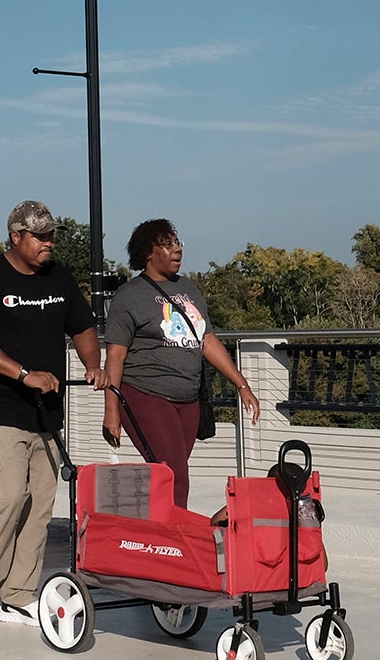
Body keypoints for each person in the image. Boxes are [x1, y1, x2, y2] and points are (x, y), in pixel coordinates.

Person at [0, 199, 105, 629]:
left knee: (40, 503)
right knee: (6, 498)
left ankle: (18, 593)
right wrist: (23, 375)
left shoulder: (59, 278)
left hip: (47, 412)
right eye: (39, 236)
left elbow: (82, 328)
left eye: (51, 235)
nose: (48, 242)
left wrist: (92, 365)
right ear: (16, 236)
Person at [101, 219, 261, 511]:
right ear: (149, 252)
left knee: (169, 473)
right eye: (168, 244)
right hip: (146, 394)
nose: (177, 250)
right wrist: (111, 411)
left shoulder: (188, 288)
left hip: (188, 399)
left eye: (178, 244)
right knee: (174, 475)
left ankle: (156, 537)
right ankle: (175, 543)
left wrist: (242, 385)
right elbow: (115, 356)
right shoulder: (130, 296)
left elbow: (207, 341)